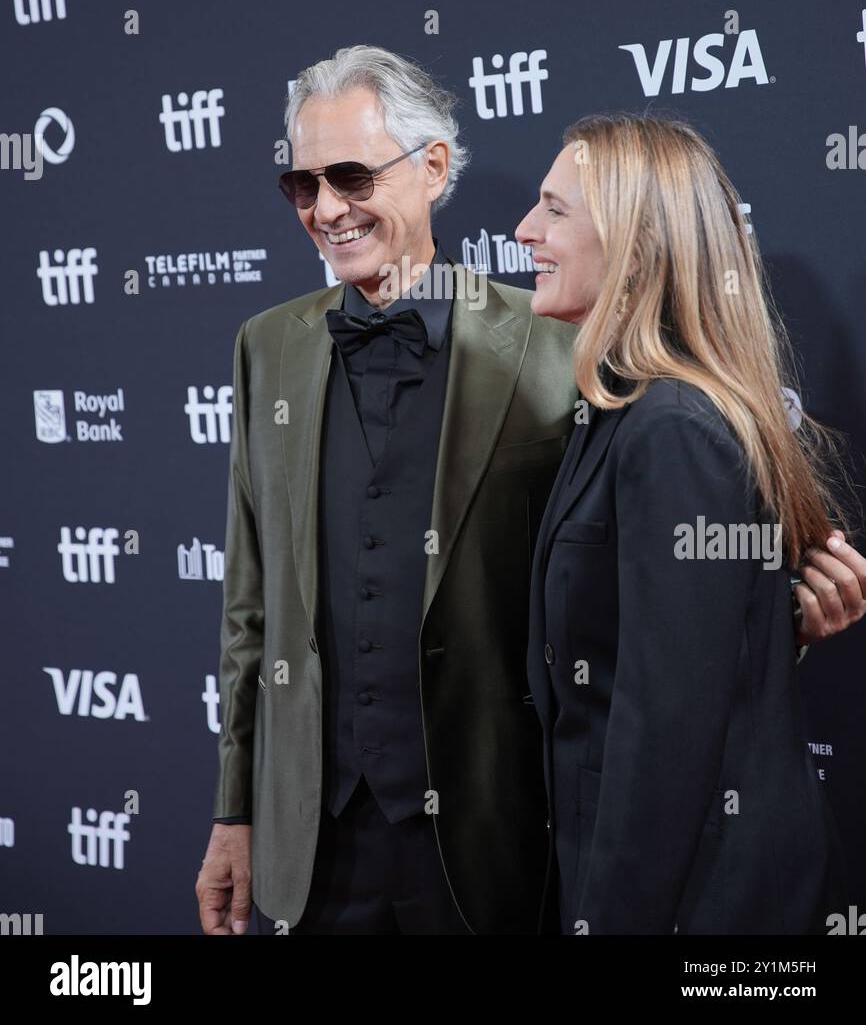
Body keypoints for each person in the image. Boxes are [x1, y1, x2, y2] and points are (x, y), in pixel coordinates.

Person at [195, 48, 864, 936]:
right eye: (301, 185)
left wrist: (777, 612)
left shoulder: (562, 346)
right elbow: (251, 609)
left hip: (500, 846)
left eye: (350, 176)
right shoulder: (265, 347)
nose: (325, 209)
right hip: (310, 849)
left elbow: (651, 601)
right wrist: (234, 813)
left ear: (431, 167)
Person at [519, 113, 863, 934]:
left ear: (635, 248)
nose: (525, 231)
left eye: (555, 210)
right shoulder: (623, 412)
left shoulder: (670, 429)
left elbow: (664, 739)